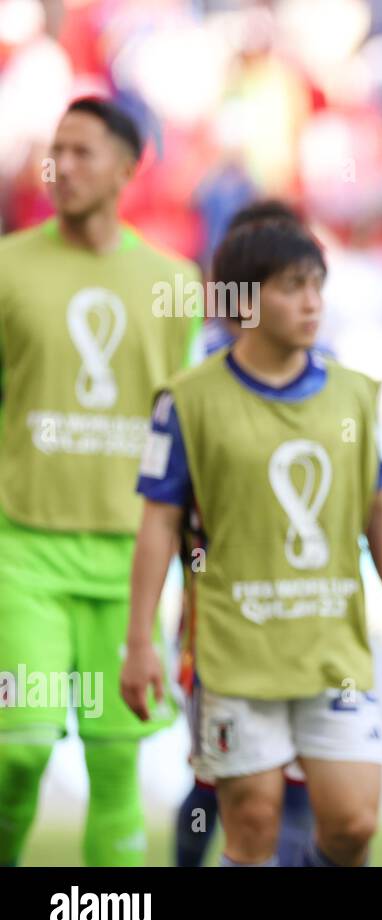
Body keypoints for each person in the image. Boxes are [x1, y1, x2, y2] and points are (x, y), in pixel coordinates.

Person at [122, 217, 382, 866]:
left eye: (317, 285)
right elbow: (159, 525)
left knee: (354, 825)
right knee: (253, 826)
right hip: (235, 652)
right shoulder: (187, 400)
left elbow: (378, 513)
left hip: (332, 650)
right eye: (292, 287)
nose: (312, 302)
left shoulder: (353, 394)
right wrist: (140, 640)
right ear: (245, 302)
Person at [0, 97, 202, 866]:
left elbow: (185, 430)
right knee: (19, 750)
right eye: (56, 151)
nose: (63, 167)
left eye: (83, 152)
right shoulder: (8, 267)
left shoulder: (175, 283)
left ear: (127, 168)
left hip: (130, 559)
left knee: (115, 765)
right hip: (22, 550)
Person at [172, 197, 316, 867]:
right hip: (222, 612)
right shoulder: (198, 365)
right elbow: (167, 499)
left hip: (306, 612)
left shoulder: (324, 365)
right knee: (219, 778)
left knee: (301, 780)